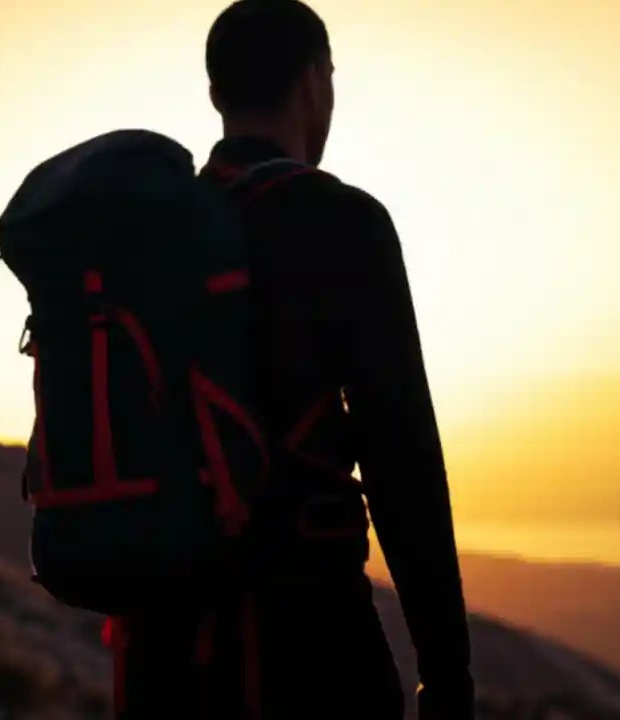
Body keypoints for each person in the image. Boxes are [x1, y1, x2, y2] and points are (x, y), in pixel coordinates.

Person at [114, 2, 475, 718]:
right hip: (310, 646)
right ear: (315, 80)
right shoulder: (342, 222)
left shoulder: (146, 230)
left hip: (161, 657)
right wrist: (447, 674)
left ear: (216, 95)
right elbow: (403, 461)